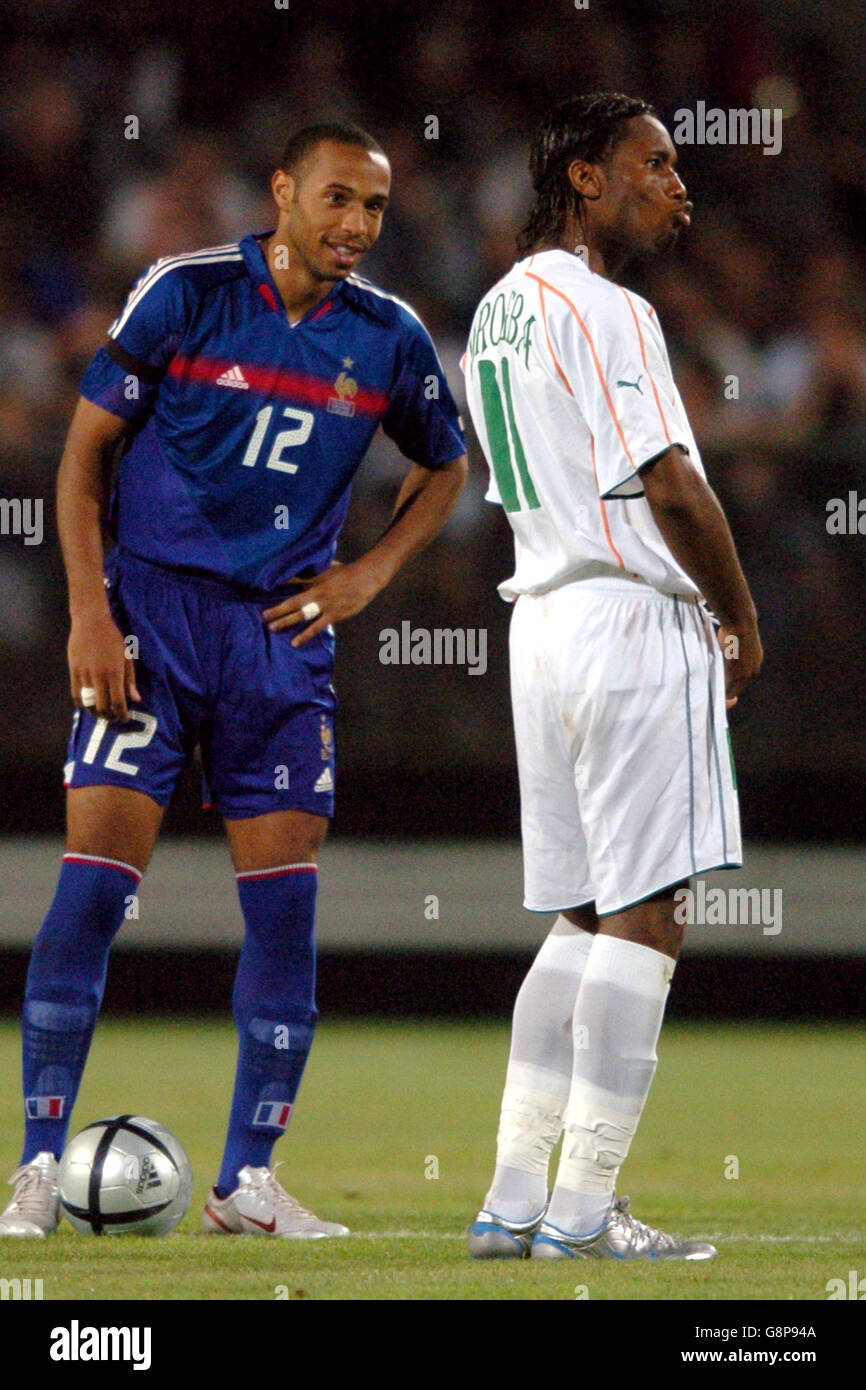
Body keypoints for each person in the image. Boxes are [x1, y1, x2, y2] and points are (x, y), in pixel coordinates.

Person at [0, 122, 467, 1240]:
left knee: (285, 913)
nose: (355, 225)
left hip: (281, 642)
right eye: (338, 199)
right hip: (150, 624)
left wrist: (368, 574)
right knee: (92, 893)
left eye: (374, 210)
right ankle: (35, 1166)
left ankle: (244, 1181)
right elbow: (80, 462)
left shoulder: (388, 337)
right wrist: (89, 612)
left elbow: (447, 465)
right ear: (281, 191)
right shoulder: (185, 293)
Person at [462, 94, 762, 1260]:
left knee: (584, 917)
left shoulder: (496, 307)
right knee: (648, 917)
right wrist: (737, 618)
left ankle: (508, 1198)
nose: (677, 185)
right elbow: (672, 485)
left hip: (537, 618)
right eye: (655, 164)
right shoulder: (610, 307)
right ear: (583, 178)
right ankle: (580, 1212)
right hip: (631, 618)